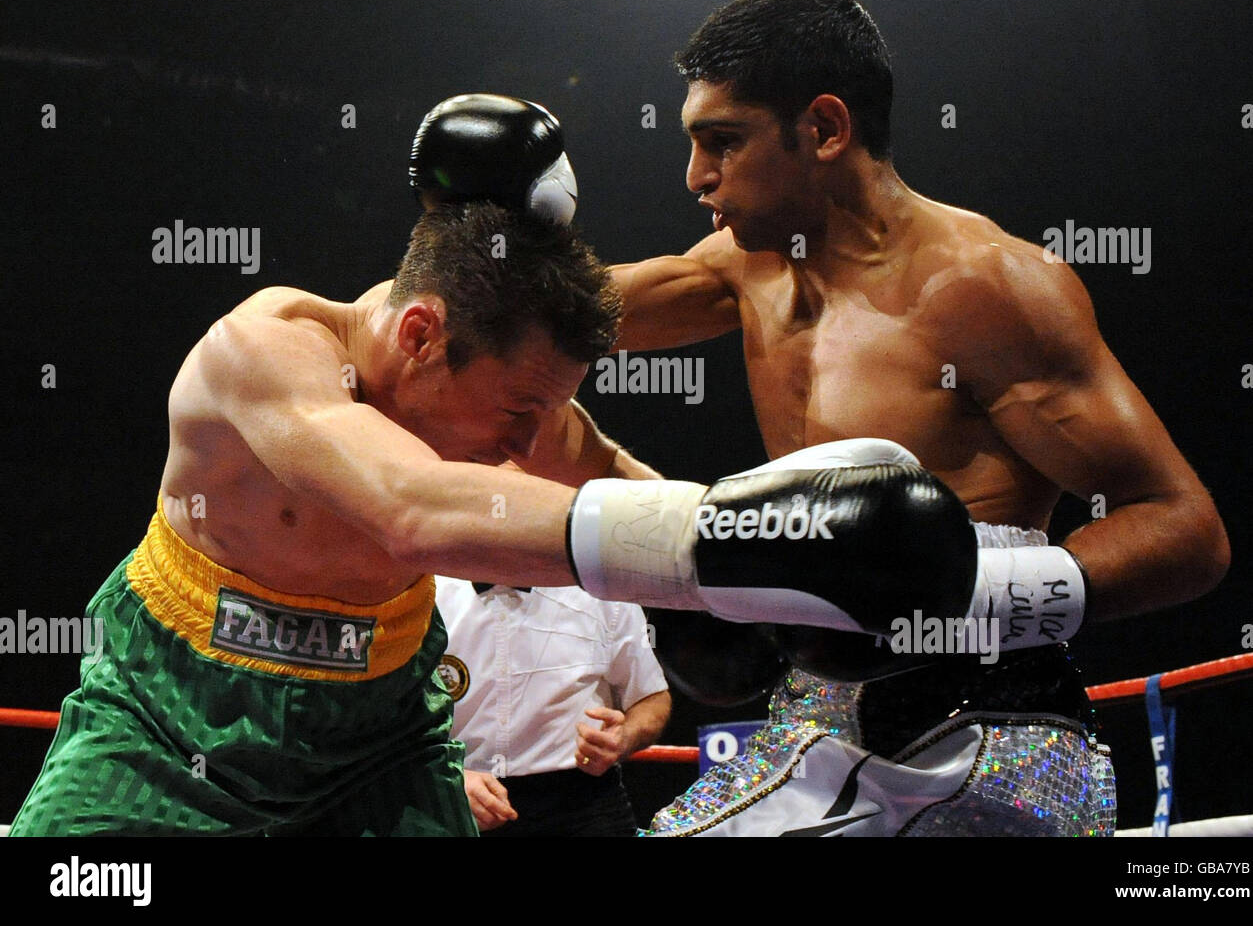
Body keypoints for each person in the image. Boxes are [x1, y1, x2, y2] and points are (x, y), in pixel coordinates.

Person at [11, 95, 979, 836]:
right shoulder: (260, 356)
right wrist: (714, 541)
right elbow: (413, 508)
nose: (529, 449)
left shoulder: (523, 416)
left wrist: (773, 569)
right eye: (519, 414)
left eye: (546, 417)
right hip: (167, 722)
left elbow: (624, 485)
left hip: (378, 736)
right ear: (423, 334)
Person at [607, 0, 1230, 836]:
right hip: (814, 726)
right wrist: (482, 233)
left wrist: (958, 596)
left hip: (986, 732)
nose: (696, 175)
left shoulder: (983, 287)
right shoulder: (740, 269)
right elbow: (551, 323)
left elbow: (1188, 528)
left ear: (824, 129)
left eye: (723, 141)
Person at [437, 576, 670, 836]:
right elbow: (388, 717)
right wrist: (444, 776)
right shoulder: (425, 594)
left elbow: (651, 698)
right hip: (457, 798)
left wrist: (625, 737)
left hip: (585, 804)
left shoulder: (601, 594)